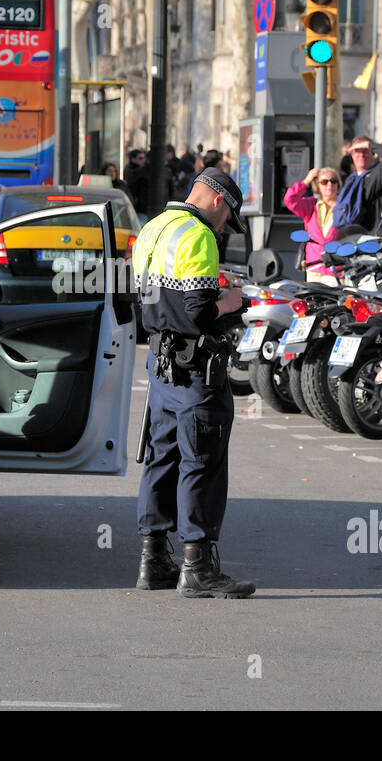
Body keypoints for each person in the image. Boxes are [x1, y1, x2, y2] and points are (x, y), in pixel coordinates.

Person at [133, 167, 254, 598]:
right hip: (194, 369)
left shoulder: (153, 228)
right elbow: (200, 312)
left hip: (160, 365)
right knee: (201, 462)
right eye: (229, 220)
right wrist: (232, 301)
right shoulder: (198, 235)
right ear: (218, 201)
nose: (225, 229)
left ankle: (153, 562)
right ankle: (197, 568)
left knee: (160, 459)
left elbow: (147, 301)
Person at [283, 165, 343, 281]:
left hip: (336, 268)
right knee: (313, 299)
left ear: (338, 184)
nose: (329, 185)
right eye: (324, 182)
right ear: (318, 186)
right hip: (314, 267)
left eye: (333, 181)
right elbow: (290, 199)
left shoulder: (344, 207)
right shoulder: (311, 205)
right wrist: (307, 181)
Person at [123, 148, 150, 219]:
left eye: (144, 158)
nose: (143, 160)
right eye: (140, 158)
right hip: (137, 205)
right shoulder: (131, 170)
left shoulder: (141, 170)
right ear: (133, 159)